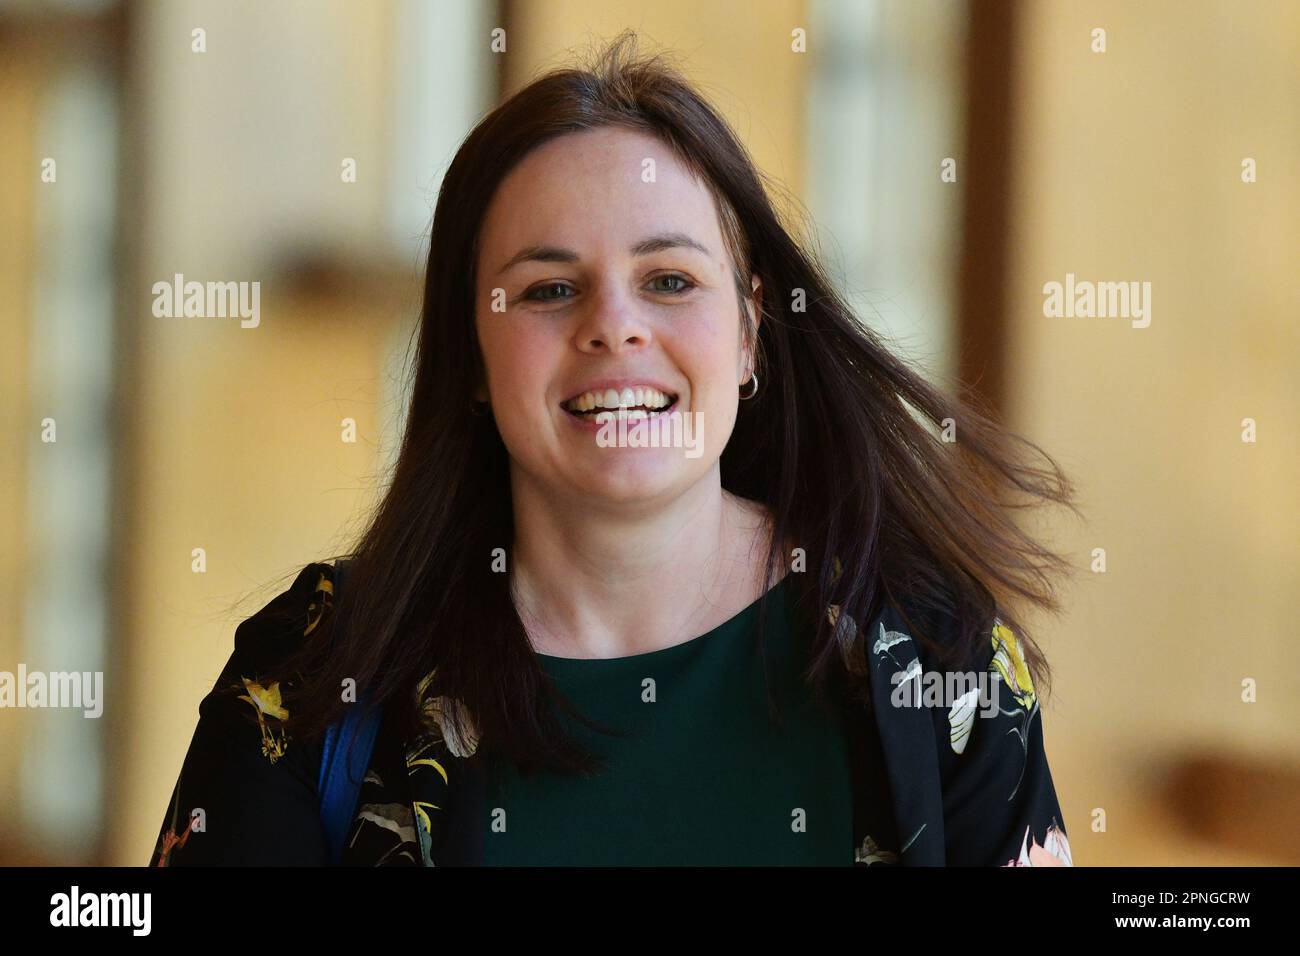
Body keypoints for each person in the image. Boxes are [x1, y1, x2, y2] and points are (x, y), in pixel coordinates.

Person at [150, 32, 1076, 868]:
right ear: (470, 351)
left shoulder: (938, 661)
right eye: (550, 290)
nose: (615, 328)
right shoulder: (309, 675)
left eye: (669, 280)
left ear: (752, 333)